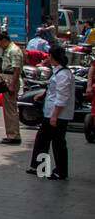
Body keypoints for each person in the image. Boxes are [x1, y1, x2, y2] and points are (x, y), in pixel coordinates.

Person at [27, 43, 73, 180]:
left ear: (53, 57)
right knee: (43, 140)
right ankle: (40, 167)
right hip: (51, 113)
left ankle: (61, 171)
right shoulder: (58, 72)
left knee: (58, 143)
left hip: (58, 115)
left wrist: (54, 116)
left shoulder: (64, 74)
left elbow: (62, 97)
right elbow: (53, 91)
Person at [0, 29, 24, 145]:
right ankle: (11, 133)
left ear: (4, 40)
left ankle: (14, 135)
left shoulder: (14, 51)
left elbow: (17, 69)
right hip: (7, 77)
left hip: (11, 78)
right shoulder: (8, 50)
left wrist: (11, 85)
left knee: (11, 109)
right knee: (8, 108)